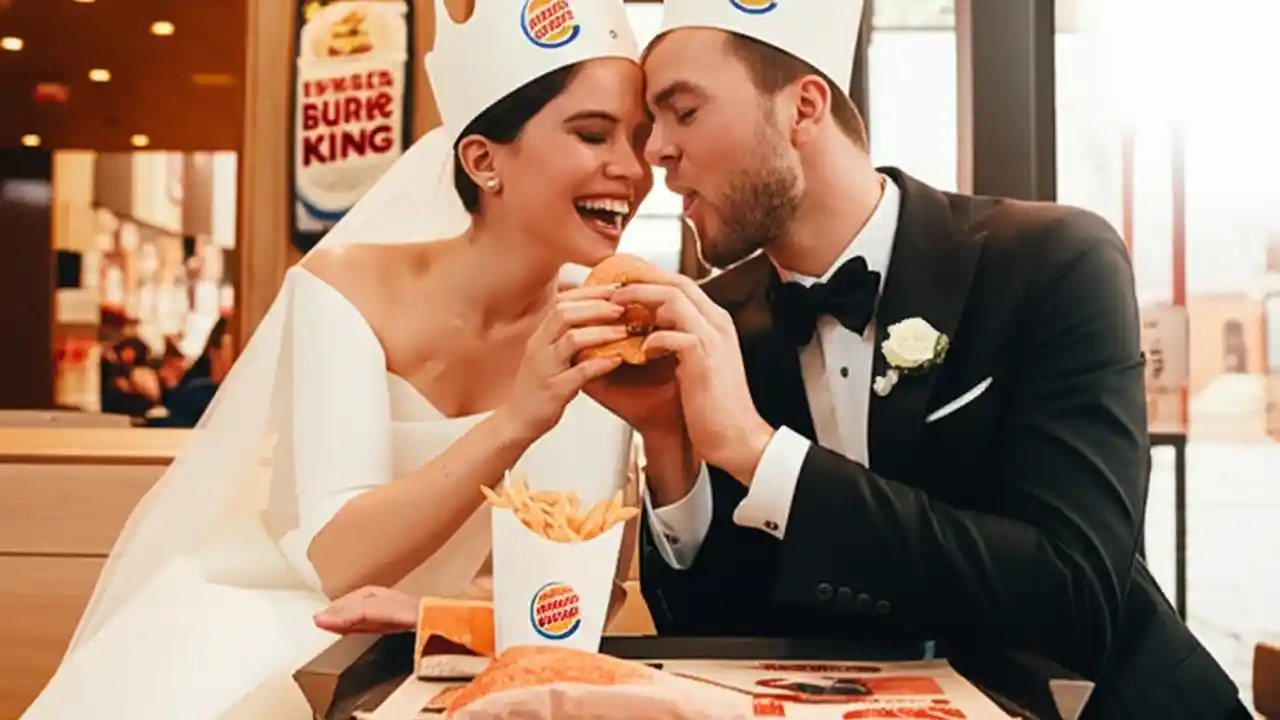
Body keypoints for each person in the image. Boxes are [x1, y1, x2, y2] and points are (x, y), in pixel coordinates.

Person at [602, 2, 1248, 719]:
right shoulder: (718, 321)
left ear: (803, 109)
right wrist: (668, 445)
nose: (653, 151)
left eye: (682, 112)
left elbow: (1074, 596)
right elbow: (717, 638)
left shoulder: (1054, 262)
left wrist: (763, 457)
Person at [22, 2, 649, 718]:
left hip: (428, 654)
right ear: (481, 160)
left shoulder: (600, 327)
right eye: (593, 133)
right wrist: (516, 420)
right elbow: (337, 560)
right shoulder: (342, 288)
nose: (631, 169)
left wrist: (435, 617)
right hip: (262, 626)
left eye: (642, 138)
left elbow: (571, 591)